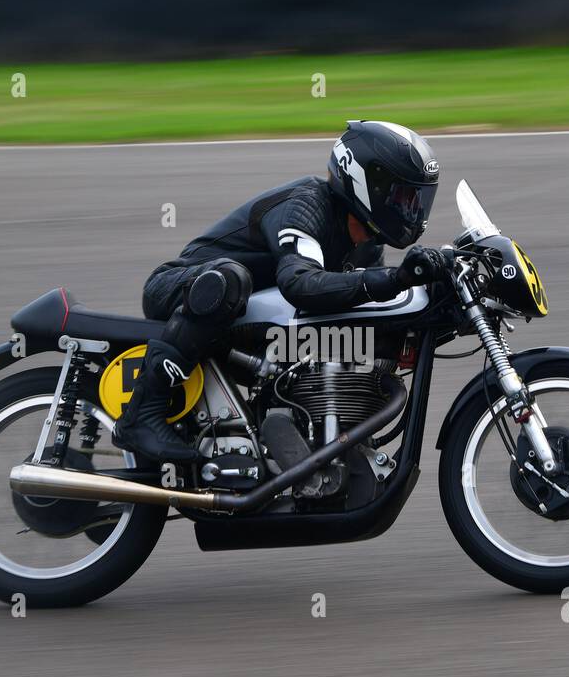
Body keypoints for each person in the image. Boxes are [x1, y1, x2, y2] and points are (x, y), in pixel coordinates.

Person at [112, 119, 448, 463]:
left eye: (417, 200)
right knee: (230, 279)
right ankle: (141, 414)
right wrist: (394, 279)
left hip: (245, 324)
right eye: (402, 196)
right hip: (183, 290)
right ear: (366, 182)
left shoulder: (367, 247)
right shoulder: (306, 205)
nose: (411, 210)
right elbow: (300, 284)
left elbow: (353, 312)